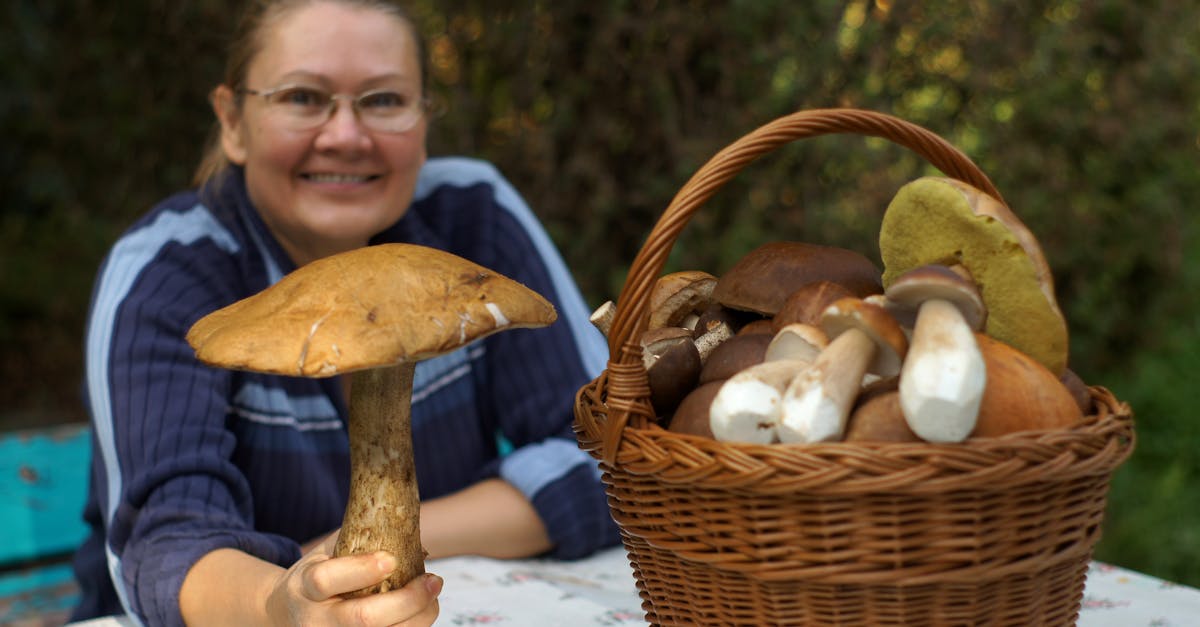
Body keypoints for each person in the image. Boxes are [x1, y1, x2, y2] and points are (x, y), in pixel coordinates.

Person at [69, 1, 619, 625]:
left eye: (384, 100)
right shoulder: (168, 271)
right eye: (303, 97)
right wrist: (286, 603)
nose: (345, 136)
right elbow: (167, 545)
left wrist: (360, 550)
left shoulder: (473, 216)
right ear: (232, 121)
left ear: (425, 117)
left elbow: (614, 455)